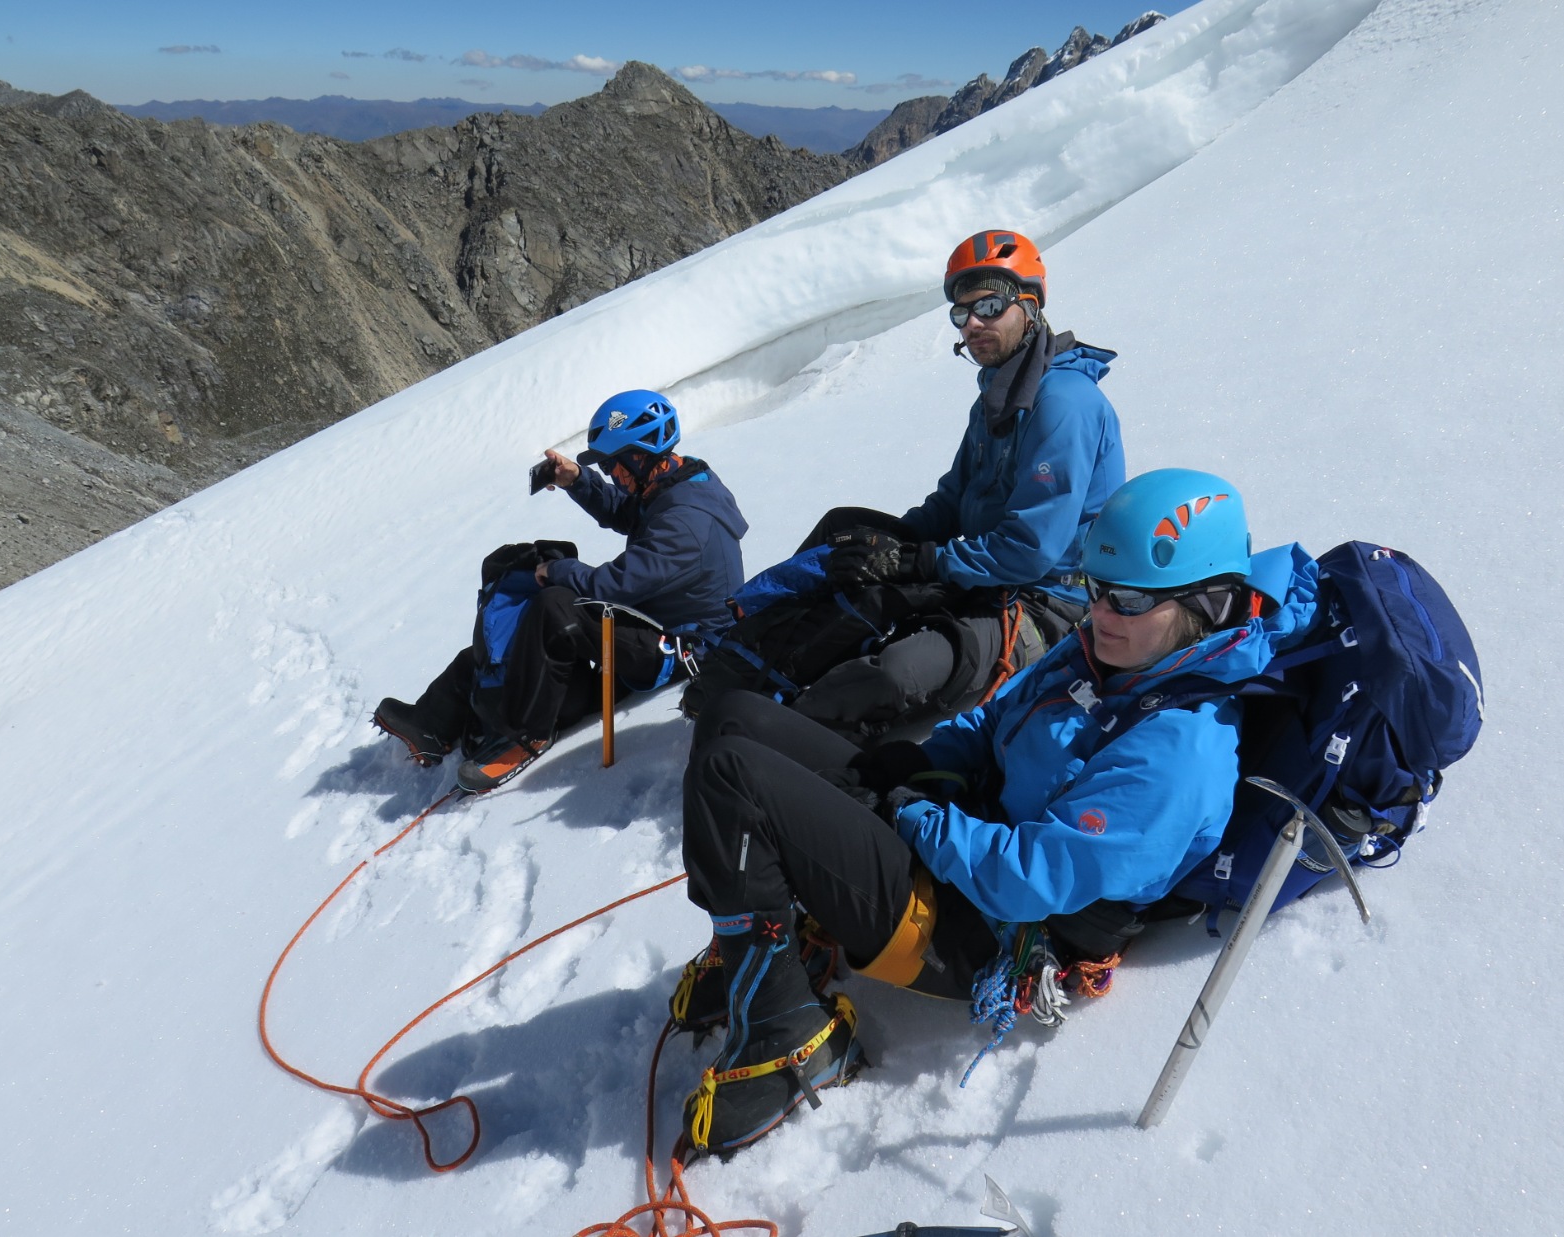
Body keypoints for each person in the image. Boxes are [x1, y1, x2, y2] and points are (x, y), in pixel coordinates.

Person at [671, 468, 1320, 1155]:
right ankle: (761, 950)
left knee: (733, 778)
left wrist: (915, 818)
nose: (1101, 614)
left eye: (1128, 599)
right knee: (735, 719)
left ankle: (788, 1036)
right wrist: (922, 771)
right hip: (958, 842)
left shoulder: (1179, 752)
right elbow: (988, 723)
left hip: (983, 926)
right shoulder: (1106, 655)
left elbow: (1029, 876)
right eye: (1097, 591)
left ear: (1207, 602)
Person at [783, 228, 1125, 739]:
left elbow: (1029, 552)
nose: (974, 323)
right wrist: (895, 541)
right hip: (988, 574)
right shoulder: (998, 396)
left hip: (1045, 604)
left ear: (1029, 305)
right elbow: (954, 499)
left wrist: (922, 561)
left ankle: (793, 735)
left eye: (989, 305)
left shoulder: (1064, 404)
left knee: (897, 671)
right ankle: (774, 660)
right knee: (844, 530)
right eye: (962, 313)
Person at [374, 390, 749, 792]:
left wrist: (556, 569)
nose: (608, 473)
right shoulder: (673, 482)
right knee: (524, 627)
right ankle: (432, 723)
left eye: (611, 465)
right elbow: (629, 513)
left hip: (681, 647)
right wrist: (578, 481)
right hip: (654, 618)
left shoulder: (687, 519)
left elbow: (615, 584)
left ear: (640, 456)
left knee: (555, 607)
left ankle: (526, 733)